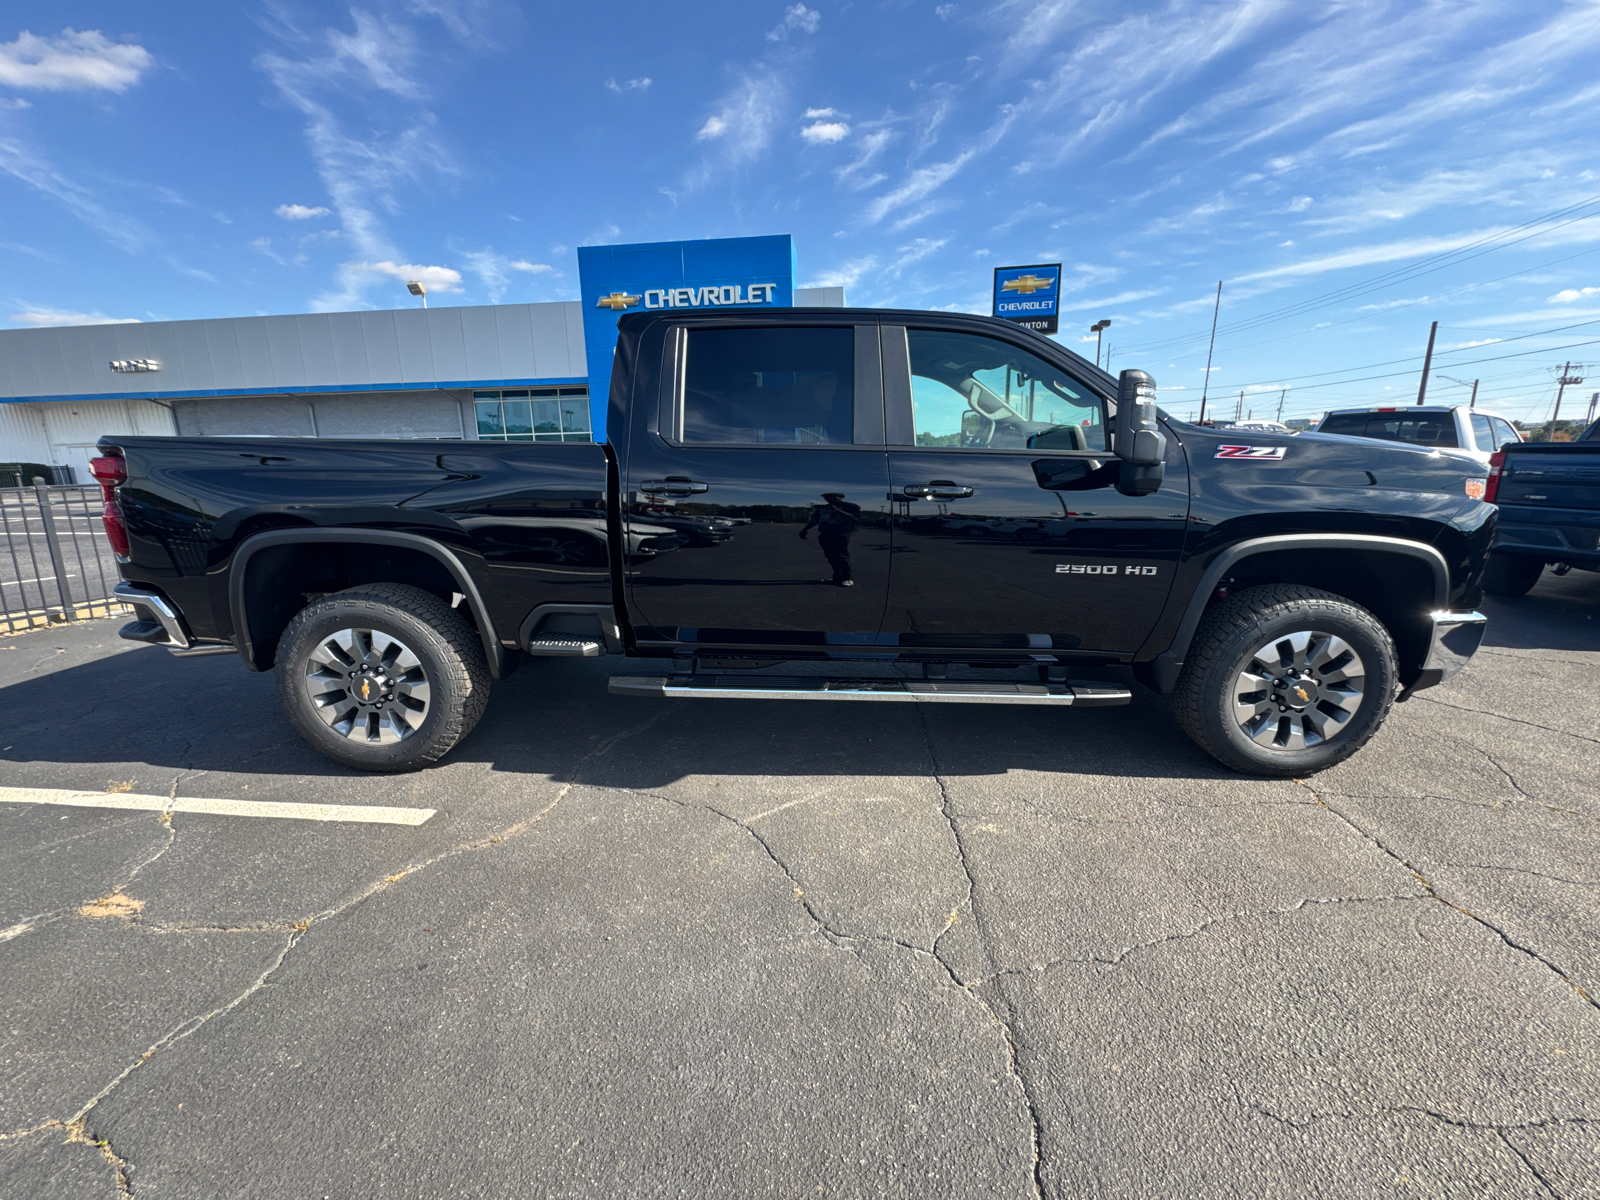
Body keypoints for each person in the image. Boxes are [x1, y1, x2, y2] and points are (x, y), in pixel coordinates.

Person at [799, 492, 861, 586]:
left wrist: (837, 510)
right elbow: (815, 520)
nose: (829, 499)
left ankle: (847, 577)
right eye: (826, 498)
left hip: (841, 533)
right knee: (831, 556)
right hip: (825, 533)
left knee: (841, 555)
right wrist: (805, 529)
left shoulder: (850, 506)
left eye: (832, 497)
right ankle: (837, 576)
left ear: (840, 498)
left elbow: (855, 518)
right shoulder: (823, 508)